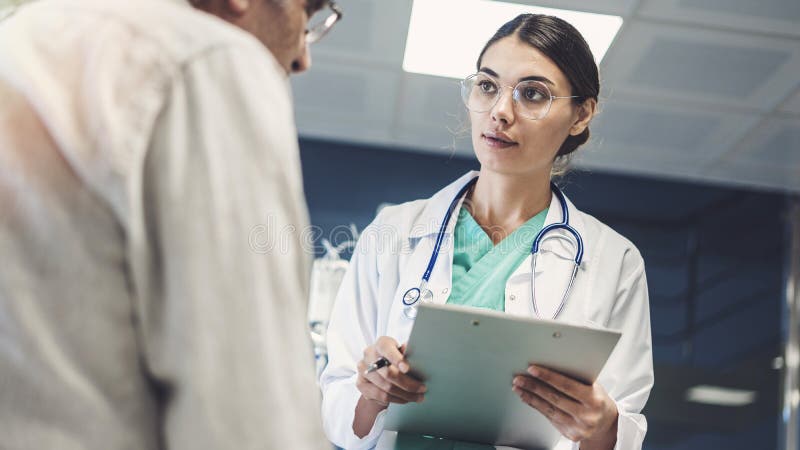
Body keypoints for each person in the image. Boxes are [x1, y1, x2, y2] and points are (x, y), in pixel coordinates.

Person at [0, 0, 341, 448]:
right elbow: (250, 421)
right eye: (307, 13)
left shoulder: (20, 39)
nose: (302, 56)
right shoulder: (205, 63)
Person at [320, 14, 654, 450]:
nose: (500, 111)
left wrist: (601, 424)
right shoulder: (394, 233)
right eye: (487, 86)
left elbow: (620, 428)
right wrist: (373, 394)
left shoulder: (614, 261)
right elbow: (339, 407)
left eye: (532, 94)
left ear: (581, 114)